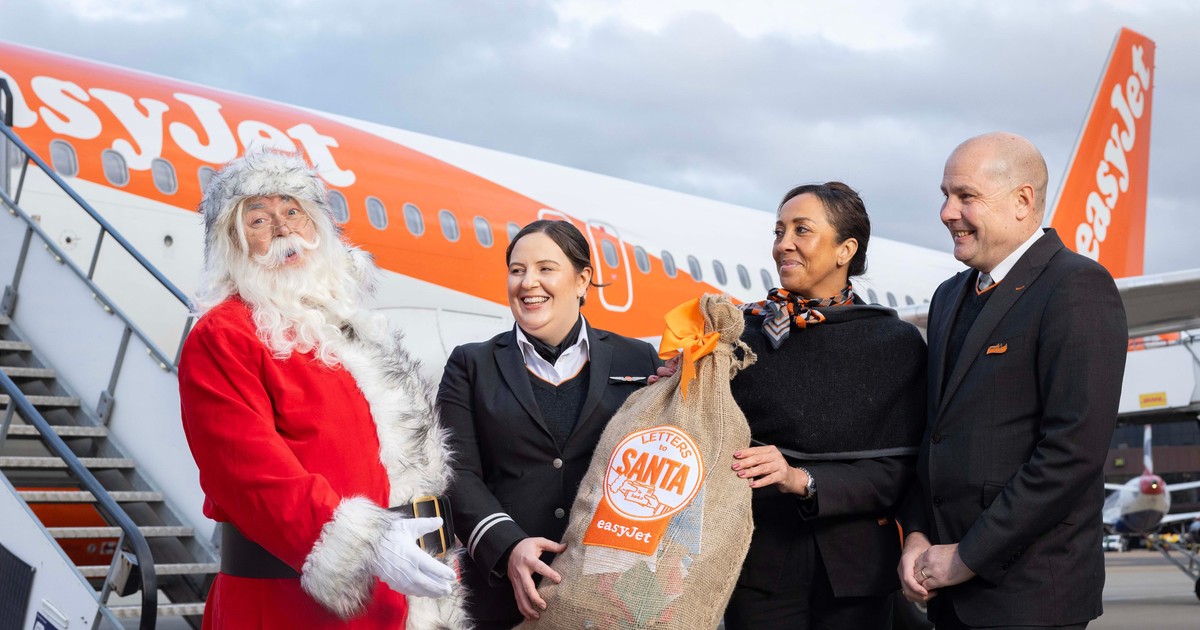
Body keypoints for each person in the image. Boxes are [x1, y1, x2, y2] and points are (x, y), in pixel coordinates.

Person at [178, 150, 468, 629]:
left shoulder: (349, 325)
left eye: (293, 212)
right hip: (290, 606)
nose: (282, 229)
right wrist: (364, 542)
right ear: (233, 243)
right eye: (258, 219)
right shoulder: (224, 334)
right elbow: (253, 476)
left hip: (396, 601)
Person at [898, 132, 1128, 629]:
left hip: (1028, 595)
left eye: (965, 197)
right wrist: (916, 535)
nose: (946, 213)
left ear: (1023, 201)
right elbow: (931, 436)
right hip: (946, 592)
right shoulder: (947, 297)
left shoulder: (1077, 287)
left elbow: (1072, 454)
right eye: (945, 195)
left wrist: (967, 556)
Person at [717, 182, 927, 628]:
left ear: (844, 249)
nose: (783, 244)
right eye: (778, 231)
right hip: (756, 568)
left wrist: (802, 479)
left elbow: (902, 471)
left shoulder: (894, 344)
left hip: (859, 575)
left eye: (801, 230)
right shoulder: (737, 337)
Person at [438, 220, 662, 629]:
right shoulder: (470, 365)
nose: (528, 283)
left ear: (582, 281)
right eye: (517, 270)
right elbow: (456, 472)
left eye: (545, 268)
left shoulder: (639, 360)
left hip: (609, 592)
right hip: (504, 596)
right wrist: (509, 548)